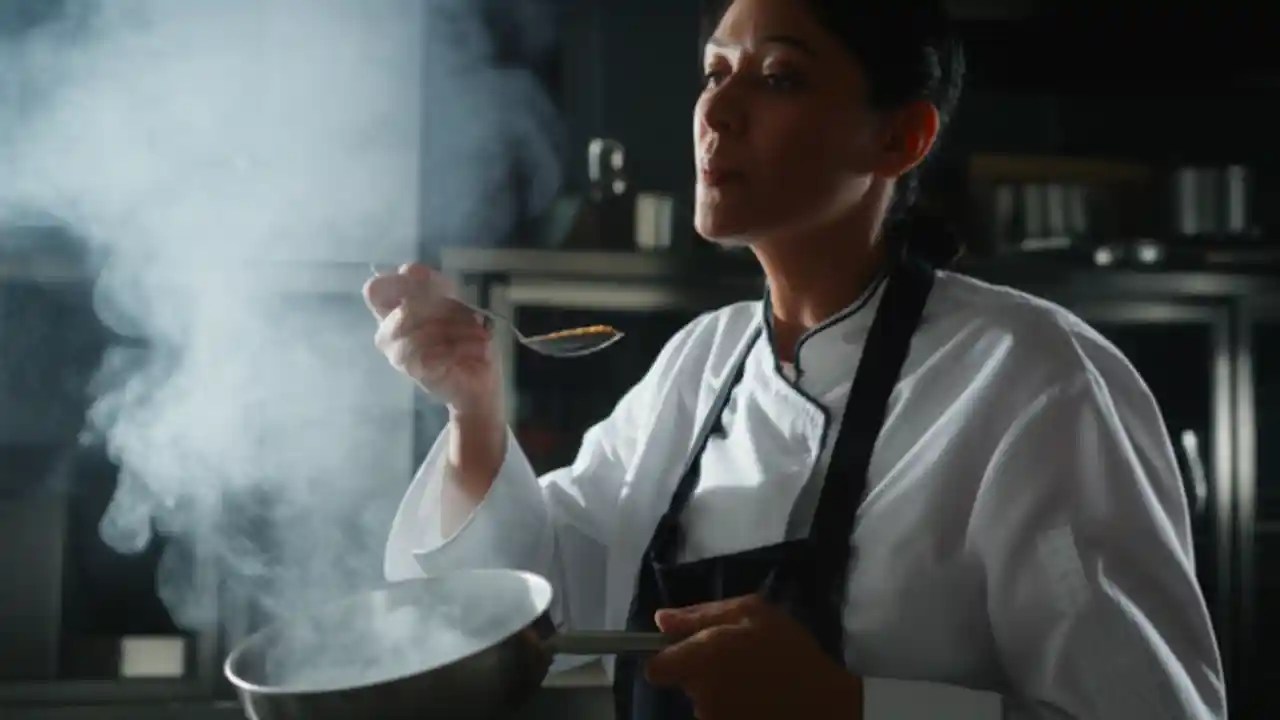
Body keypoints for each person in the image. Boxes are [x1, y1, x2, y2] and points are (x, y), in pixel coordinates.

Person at [364, 0, 1227, 717]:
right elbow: (536, 610)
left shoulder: (1032, 378)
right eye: (713, 73)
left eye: (777, 77)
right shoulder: (698, 367)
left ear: (901, 139)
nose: (718, 110)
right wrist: (473, 409)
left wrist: (853, 706)